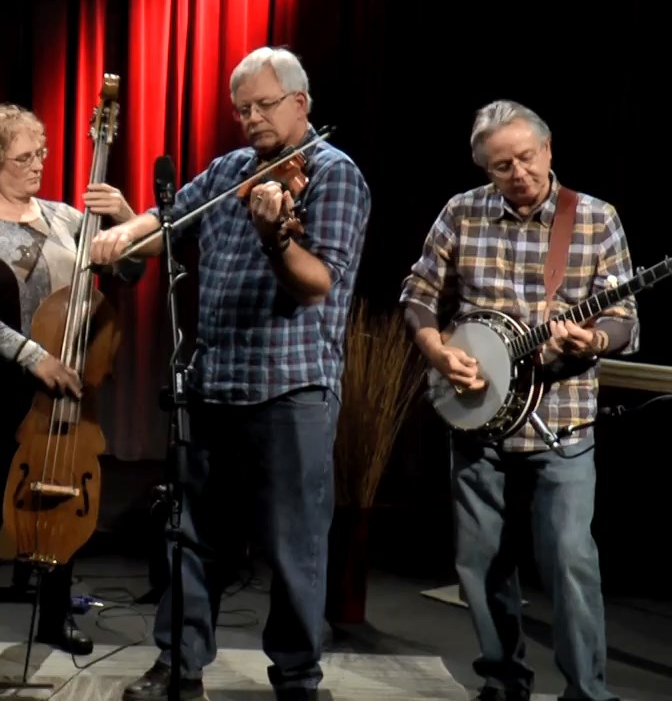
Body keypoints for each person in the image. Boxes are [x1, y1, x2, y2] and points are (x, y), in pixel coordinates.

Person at [90, 46, 371, 700]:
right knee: (192, 535)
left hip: (291, 387)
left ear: (300, 103)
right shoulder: (229, 171)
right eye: (241, 108)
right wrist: (124, 231)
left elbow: (317, 283)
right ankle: (177, 664)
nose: (250, 119)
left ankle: (297, 675)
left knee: (292, 545)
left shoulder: (335, 176)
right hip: (214, 380)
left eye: (263, 105)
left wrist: (277, 236)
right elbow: (167, 221)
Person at [399, 100, 637, 701]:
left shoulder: (593, 219)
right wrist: (435, 349)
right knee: (480, 568)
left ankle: (587, 691)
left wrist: (593, 337)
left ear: (549, 150)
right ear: (487, 169)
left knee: (569, 561)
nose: (519, 174)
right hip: (478, 421)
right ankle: (503, 682)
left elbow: (624, 318)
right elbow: (420, 291)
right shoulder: (460, 214)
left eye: (526, 158)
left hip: (562, 423)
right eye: (502, 166)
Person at [0, 103, 146, 665]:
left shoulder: (65, 217)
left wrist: (124, 215)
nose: (37, 165)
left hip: (63, 386)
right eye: (24, 157)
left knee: (62, 499)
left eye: (41, 153)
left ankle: (52, 617)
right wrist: (33, 355)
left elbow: (131, 267)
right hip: (1, 387)